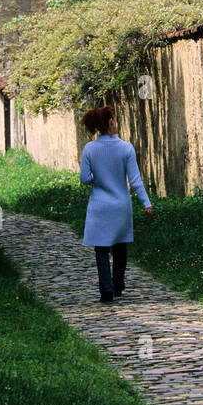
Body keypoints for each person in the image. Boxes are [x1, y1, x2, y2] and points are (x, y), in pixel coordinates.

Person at [79, 105, 152, 302]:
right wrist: (146, 202)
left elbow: (84, 178)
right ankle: (118, 284)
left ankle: (106, 289)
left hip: (99, 206)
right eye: (114, 118)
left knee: (101, 249)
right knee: (120, 246)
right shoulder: (126, 148)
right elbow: (135, 181)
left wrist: (98, 178)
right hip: (121, 205)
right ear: (110, 121)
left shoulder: (90, 149)